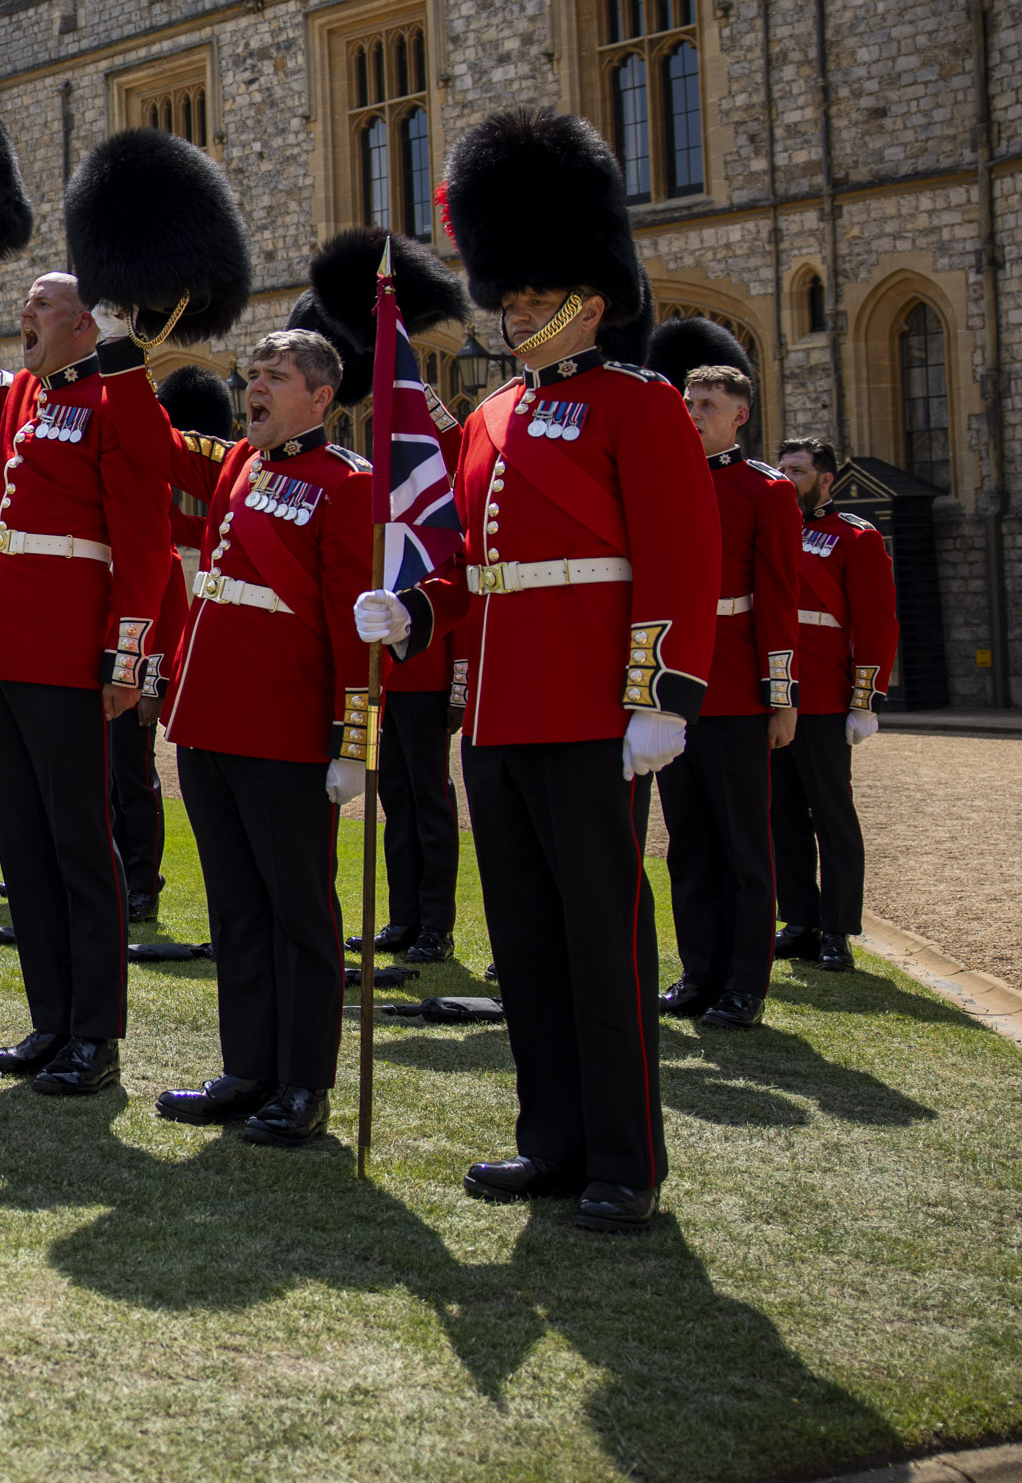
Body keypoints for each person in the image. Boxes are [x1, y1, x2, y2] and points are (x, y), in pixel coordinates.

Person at [354, 109, 716, 1234]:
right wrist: (412, 610)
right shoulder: (492, 417)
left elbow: (678, 559)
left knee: (601, 944)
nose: (511, 316)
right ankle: (550, 1141)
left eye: (530, 299)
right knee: (524, 941)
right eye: (505, 300)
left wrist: (658, 697)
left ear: (589, 301)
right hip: (500, 716)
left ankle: (625, 1159)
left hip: (589, 713)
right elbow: (478, 566)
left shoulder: (641, 404)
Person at [0, 240, 171, 1097]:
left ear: (86, 324)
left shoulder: (114, 401)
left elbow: (144, 537)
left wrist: (126, 653)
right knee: (24, 843)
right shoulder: (18, 394)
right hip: (1, 646)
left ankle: (96, 1033)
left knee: (80, 844)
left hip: (63, 649)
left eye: (39, 308)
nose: (22, 319)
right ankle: (49, 1020)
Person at [153, 329, 377, 1147]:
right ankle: (247, 1067)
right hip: (211, 720)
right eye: (252, 374)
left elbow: (355, 630)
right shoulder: (243, 466)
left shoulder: (345, 484)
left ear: (319, 396)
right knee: (237, 910)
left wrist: (353, 740)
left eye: (274, 377)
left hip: (285, 733)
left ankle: (303, 1082)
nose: (254, 387)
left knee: (299, 917)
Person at [653, 366, 804, 1028]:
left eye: (708, 404)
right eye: (688, 402)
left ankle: (745, 982)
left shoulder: (765, 489)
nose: (693, 413)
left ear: (739, 415)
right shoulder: (662, 480)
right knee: (687, 843)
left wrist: (782, 694)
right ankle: (699, 970)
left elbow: (779, 595)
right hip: (670, 690)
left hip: (736, 688)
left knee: (744, 844)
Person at [768, 438, 899, 976]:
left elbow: (876, 621)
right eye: (781, 468)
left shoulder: (855, 536)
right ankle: (799, 921)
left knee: (831, 814)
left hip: (822, 694)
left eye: (796, 470)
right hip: (774, 691)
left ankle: (838, 930)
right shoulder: (769, 529)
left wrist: (864, 700)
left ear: (825, 479)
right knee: (780, 816)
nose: (785, 477)